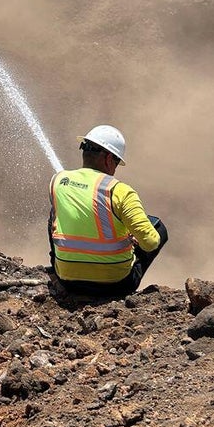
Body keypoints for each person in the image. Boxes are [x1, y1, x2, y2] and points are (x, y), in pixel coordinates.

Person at [47, 124, 168, 298]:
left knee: (54, 214)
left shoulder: (57, 180)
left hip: (67, 280)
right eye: (117, 161)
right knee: (158, 228)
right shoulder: (119, 191)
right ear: (109, 159)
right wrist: (131, 239)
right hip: (114, 285)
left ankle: (59, 264)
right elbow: (150, 243)